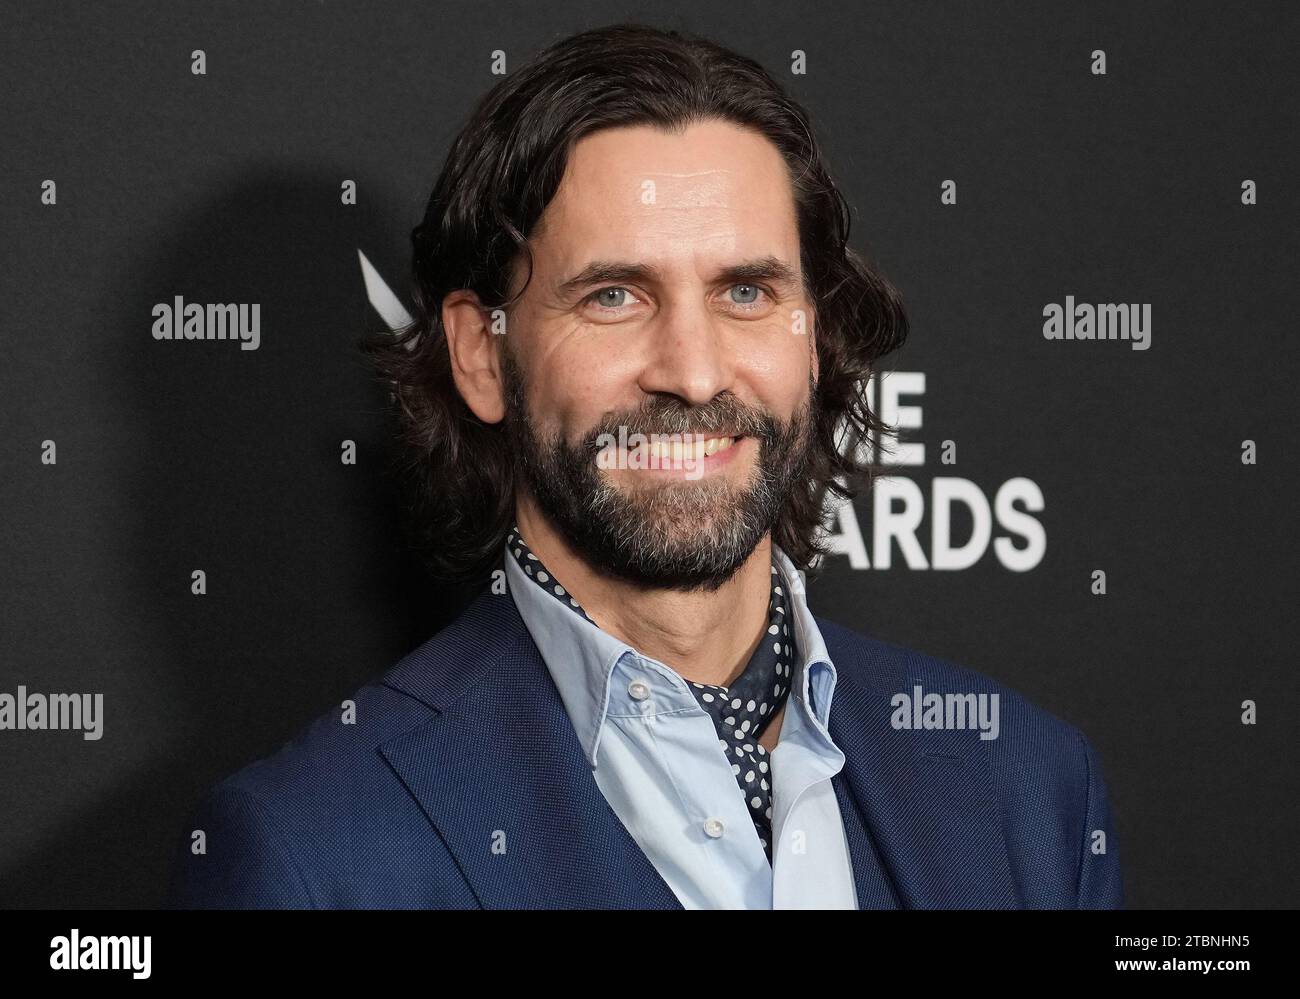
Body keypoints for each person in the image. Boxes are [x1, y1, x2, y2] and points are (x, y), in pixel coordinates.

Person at [166, 22, 1123, 909]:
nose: (694, 371)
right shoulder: (315, 855)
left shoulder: (1029, 788)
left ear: (817, 338)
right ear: (481, 353)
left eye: (746, 290)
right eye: (616, 295)